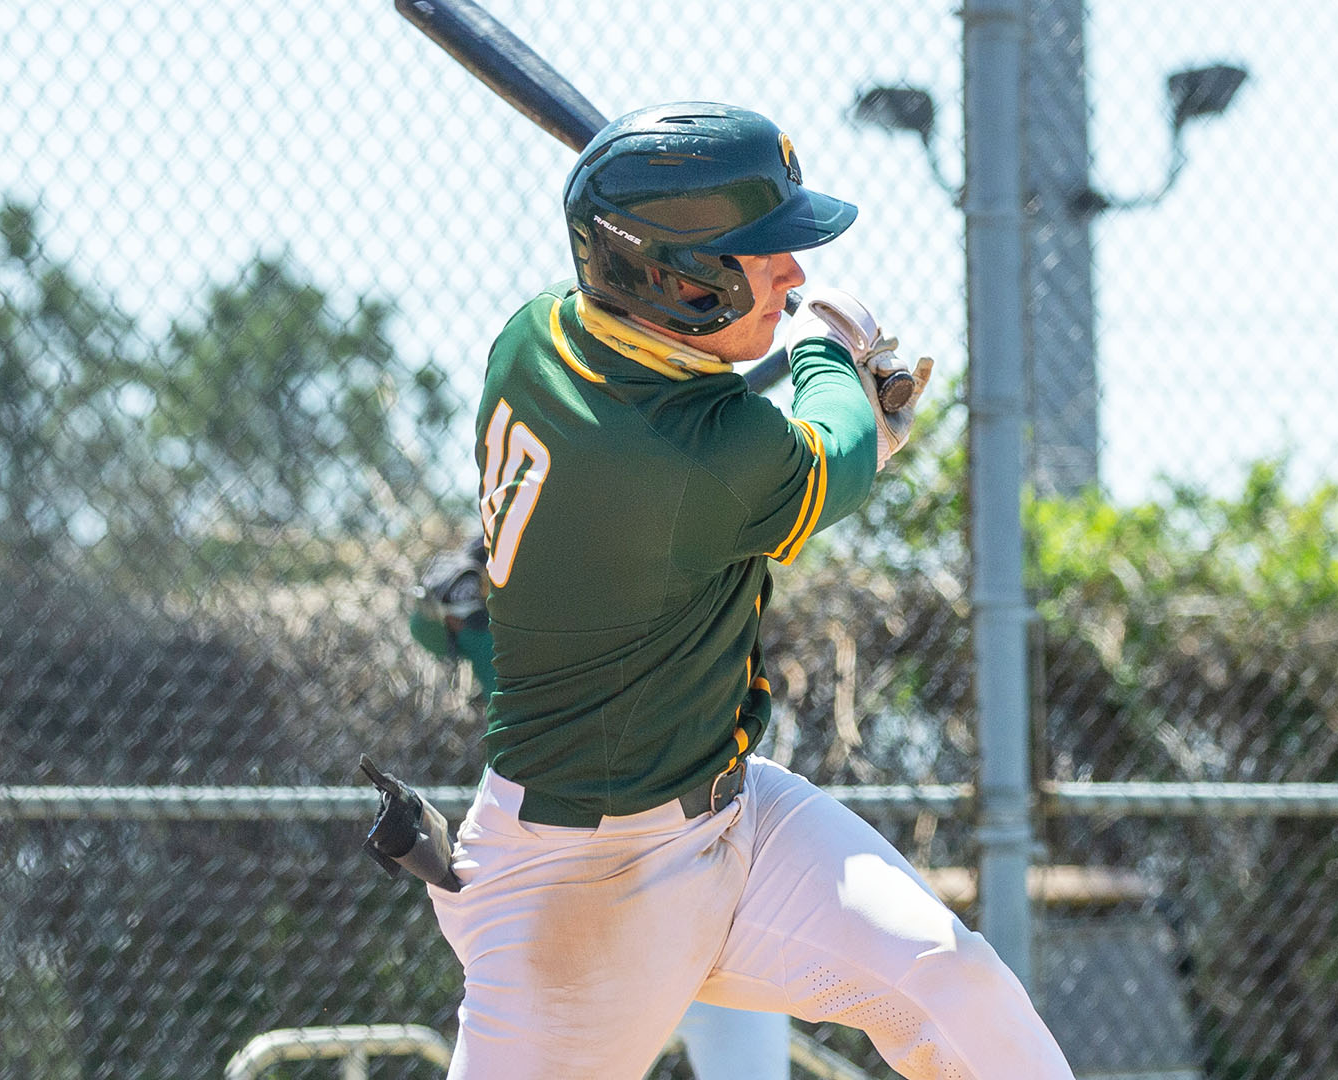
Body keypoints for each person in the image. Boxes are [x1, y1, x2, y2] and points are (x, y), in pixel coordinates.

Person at [427, 102, 1071, 1079]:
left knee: (952, 983)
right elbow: (830, 461)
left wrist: (833, 382)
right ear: (677, 280)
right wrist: (828, 357)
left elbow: (743, 430)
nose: (796, 273)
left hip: (731, 812)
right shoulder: (689, 463)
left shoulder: (536, 337)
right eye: (764, 253)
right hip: (579, 885)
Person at [411, 540, 793, 1079]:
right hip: (605, 903)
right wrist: (479, 571)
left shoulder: (646, 572)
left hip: (702, 863)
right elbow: (433, 617)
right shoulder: (510, 618)